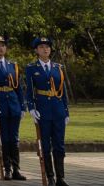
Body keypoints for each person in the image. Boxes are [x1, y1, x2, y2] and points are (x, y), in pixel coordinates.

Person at [25, 37, 69, 186]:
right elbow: (29, 91)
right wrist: (31, 107)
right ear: (36, 50)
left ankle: (60, 178)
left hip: (57, 110)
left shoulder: (58, 67)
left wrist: (66, 111)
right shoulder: (31, 68)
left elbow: (63, 91)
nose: (45, 49)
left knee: (59, 145)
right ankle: (50, 176)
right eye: (42, 47)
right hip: (42, 109)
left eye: (47, 47)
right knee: (45, 145)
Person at [0, 35, 27, 181]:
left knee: (14, 139)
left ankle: (16, 168)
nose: (1, 48)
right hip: (0, 105)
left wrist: (22, 107)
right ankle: (7, 169)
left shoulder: (13, 66)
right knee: (4, 139)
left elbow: (19, 87)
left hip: (13, 104)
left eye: (3, 45)